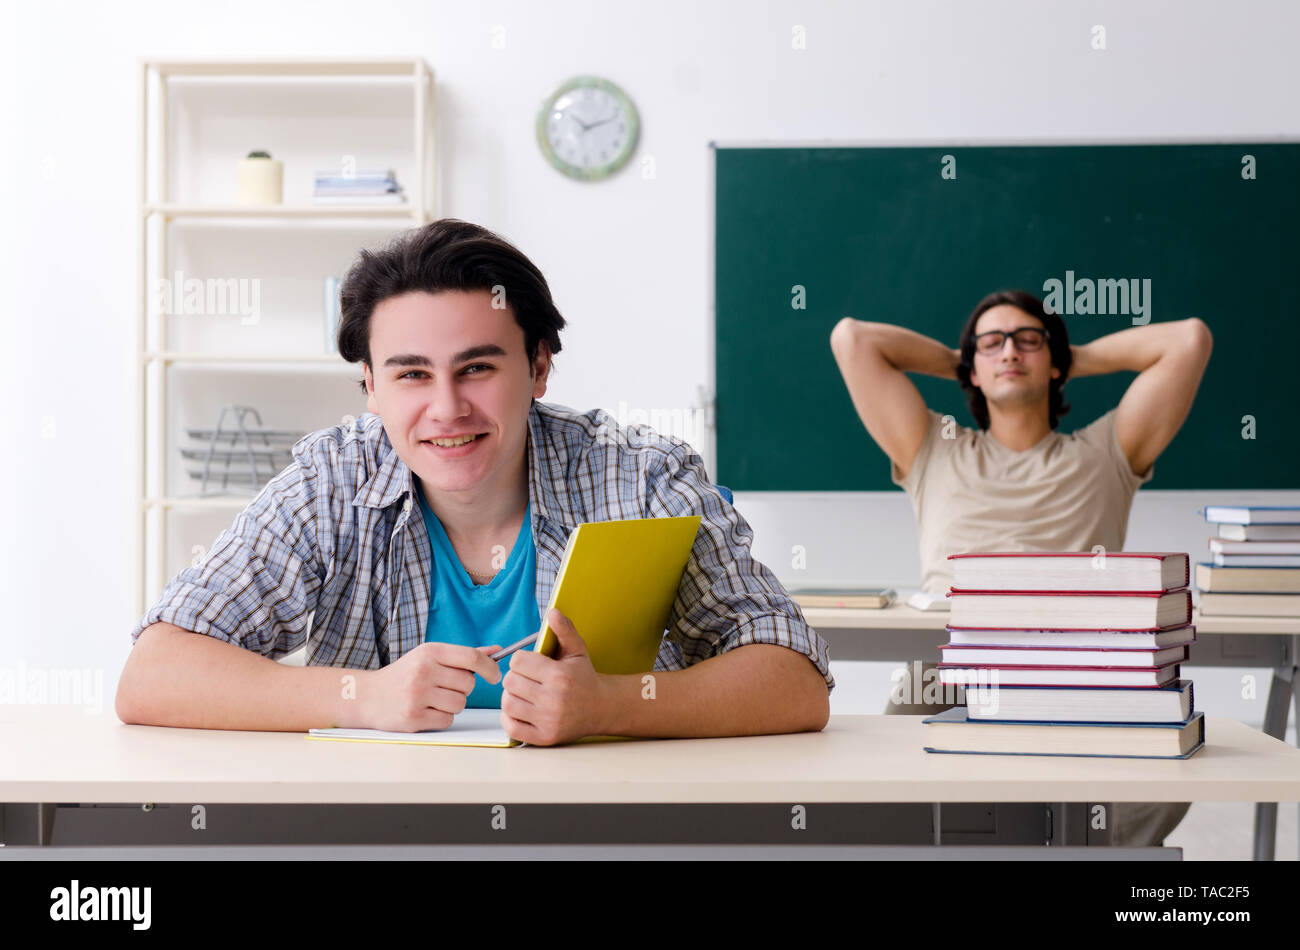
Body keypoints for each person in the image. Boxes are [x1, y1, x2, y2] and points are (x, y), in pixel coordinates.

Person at [117, 219, 832, 746]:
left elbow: (793, 678)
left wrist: (610, 707)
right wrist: (362, 695)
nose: (447, 408)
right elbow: (153, 673)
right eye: (411, 374)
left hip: (601, 829)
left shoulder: (640, 473)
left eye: (478, 368)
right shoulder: (332, 480)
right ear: (370, 385)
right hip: (378, 833)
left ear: (539, 368)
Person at [829, 289, 1212, 846]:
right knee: (893, 765)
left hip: (1082, 672)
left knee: (1168, 767)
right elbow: (852, 338)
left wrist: (1060, 356)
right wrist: (970, 362)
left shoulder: (1106, 450)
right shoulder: (933, 448)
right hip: (953, 668)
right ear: (973, 371)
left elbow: (1188, 338)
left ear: (1057, 365)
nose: (1010, 351)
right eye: (993, 342)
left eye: (1027, 340)